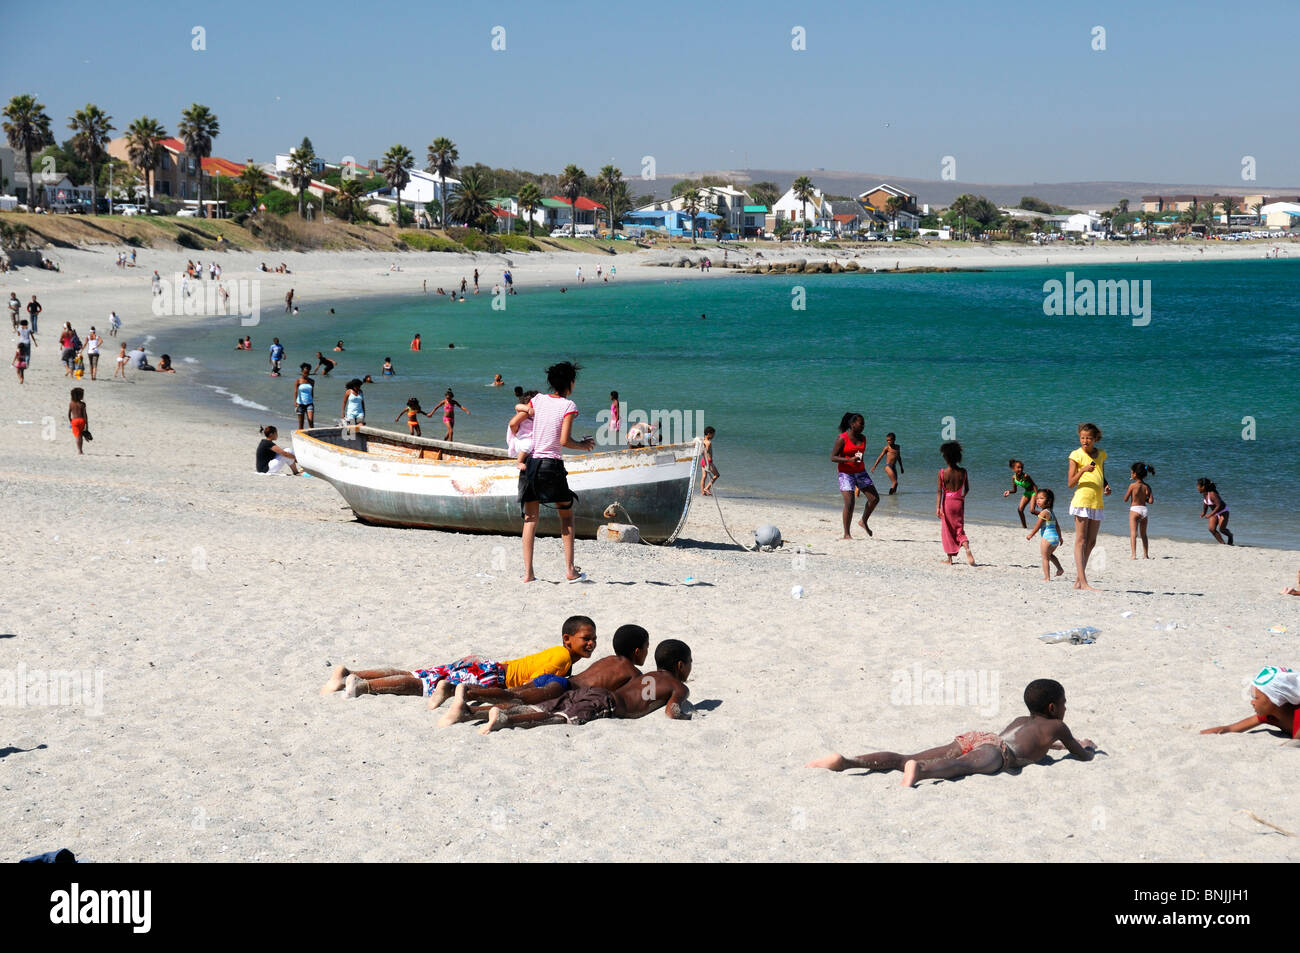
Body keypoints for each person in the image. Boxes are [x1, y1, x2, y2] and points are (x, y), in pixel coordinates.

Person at [806, 678, 1097, 787]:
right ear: (1052, 707)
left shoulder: (1023, 719)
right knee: (961, 766)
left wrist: (1056, 747)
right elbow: (1079, 754)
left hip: (980, 738)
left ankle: (846, 761)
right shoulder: (1058, 726)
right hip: (998, 753)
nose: (1065, 708)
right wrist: (1088, 748)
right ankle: (919, 771)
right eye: (1064, 704)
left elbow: (1036, 741)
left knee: (904, 757)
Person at [319, 615, 598, 705]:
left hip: (490, 668)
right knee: (423, 686)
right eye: (585, 638)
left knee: (420, 674)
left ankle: (349, 673)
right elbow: (531, 684)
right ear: (566, 639)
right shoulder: (562, 658)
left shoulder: (558, 652)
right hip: (492, 676)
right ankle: (362, 686)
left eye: (593, 638)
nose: (590, 643)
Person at [436, 623, 651, 726]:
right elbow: (619, 697)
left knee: (514, 693)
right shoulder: (633, 673)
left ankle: (457, 695)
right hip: (562, 688)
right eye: (647, 648)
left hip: (555, 679)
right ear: (637, 652)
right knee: (517, 699)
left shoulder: (608, 660)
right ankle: (469, 693)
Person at [480, 639, 693, 733]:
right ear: (680, 665)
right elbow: (672, 712)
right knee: (558, 717)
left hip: (592, 692)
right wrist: (687, 715)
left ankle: (479, 710)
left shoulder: (645, 674)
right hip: (606, 703)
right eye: (690, 663)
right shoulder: (679, 687)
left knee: (546, 705)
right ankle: (507, 719)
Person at [511, 361, 596, 583]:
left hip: (531, 465)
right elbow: (563, 440)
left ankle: (528, 574)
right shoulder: (569, 406)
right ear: (570, 383)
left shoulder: (537, 400)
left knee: (530, 519)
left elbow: (516, 420)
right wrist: (582, 445)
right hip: (551, 466)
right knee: (566, 516)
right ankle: (570, 569)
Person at [1066, 423, 1110, 591]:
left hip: (1097, 501)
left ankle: (1079, 580)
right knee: (1081, 540)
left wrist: (1106, 485)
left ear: (1095, 439)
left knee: (1091, 542)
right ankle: (1083, 582)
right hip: (1082, 501)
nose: (1085, 441)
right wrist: (1083, 469)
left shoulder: (1101, 454)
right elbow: (1070, 483)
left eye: (1089, 438)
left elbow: (1101, 474)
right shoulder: (1075, 455)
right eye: (1082, 438)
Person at [1202, 667, 1299, 740]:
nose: (1252, 702)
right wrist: (1200, 734)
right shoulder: (1272, 715)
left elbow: (1294, 743)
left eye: (1256, 698)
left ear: (1274, 699)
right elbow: (1230, 729)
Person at [831, 413, 878, 539]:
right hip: (845, 473)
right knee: (850, 503)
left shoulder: (863, 438)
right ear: (852, 425)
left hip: (861, 472)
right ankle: (847, 534)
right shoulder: (842, 438)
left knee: (874, 499)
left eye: (864, 423)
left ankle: (863, 521)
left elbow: (860, 454)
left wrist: (858, 459)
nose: (863, 426)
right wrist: (849, 460)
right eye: (861, 423)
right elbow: (833, 457)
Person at [937, 441, 975, 565]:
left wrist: (938, 507)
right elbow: (967, 489)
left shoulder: (942, 473)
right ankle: (967, 547)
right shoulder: (963, 472)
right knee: (959, 529)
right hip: (959, 502)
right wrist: (961, 496)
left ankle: (949, 559)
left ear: (946, 457)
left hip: (947, 502)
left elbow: (939, 492)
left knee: (947, 529)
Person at [1026, 488, 1065, 580]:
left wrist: (1031, 534)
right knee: (1049, 555)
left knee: (1045, 558)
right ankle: (1059, 569)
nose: (1038, 500)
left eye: (1041, 498)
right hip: (1054, 538)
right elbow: (1057, 525)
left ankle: (1047, 577)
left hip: (1047, 538)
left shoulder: (1043, 512)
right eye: (1037, 498)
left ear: (1049, 501)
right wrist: (1060, 537)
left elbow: (1038, 525)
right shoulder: (1051, 512)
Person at [1124, 462, 1156, 559]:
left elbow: (1125, 499)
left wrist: (1130, 497)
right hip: (1144, 510)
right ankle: (1145, 554)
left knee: (1133, 533)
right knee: (1144, 534)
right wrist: (1144, 499)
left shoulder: (1132, 486)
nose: (1131, 474)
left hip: (1134, 510)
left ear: (1135, 474)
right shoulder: (1147, 486)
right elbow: (1151, 501)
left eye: (1131, 473)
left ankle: (1134, 555)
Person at [1197, 477, 1234, 545]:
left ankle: (1230, 536)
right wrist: (1204, 512)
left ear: (1203, 487)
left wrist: (1210, 514)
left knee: (1222, 529)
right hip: (1215, 513)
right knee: (1211, 529)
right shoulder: (1205, 494)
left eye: (1198, 485)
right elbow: (1206, 503)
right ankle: (1223, 544)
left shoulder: (1212, 494)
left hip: (1223, 512)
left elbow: (1219, 505)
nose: (1197, 487)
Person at [1003, 459, 1037, 528]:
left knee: (1032, 511)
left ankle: (1047, 516)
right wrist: (1009, 491)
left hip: (1033, 492)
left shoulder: (1026, 476)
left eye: (1021, 467)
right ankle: (1024, 527)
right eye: (1018, 467)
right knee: (1020, 510)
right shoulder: (1014, 478)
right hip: (1027, 492)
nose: (1020, 469)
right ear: (1013, 469)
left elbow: (1034, 486)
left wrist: (1037, 497)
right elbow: (1015, 490)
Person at [507, 389, 538, 462]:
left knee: (529, 445)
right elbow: (517, 406)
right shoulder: (524, 411)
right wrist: (528, 409)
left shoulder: (537, 413)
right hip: (523, 439)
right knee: (528, 445)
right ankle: (519, 462)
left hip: (524, 440)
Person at [68, 387, 90, 454]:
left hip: (74, 421)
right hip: (82, 421)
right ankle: (81, 450)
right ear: (79, 396)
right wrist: (87, 425)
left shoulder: (71, 403)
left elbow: (69, 414)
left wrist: (71, 422)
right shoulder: (82, 404)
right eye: (82, 395)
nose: (83, 396)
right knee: (80, 435)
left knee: (78, 436)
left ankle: (79, 450)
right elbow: (85, 415)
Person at [700, 426, 720, 495]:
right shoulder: (708, 442)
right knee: (717, 475)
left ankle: (702, 492)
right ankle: (707, 488)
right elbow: (706, 451)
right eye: (713, 434)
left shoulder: (702, 441)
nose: (713, 436)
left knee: (704, 476)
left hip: (702, 460)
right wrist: (708, 463)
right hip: (708, 461)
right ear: (709, 434)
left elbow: (702, 452)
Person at [294, 364, 315, 429]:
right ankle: (301, 437)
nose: (306, 374)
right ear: (302, 372)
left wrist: (312, 400)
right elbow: (295, 391)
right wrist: (295, 402)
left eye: (308, 373)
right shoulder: (298, 381)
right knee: (301, 424)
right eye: (305, 373)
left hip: (309, 403)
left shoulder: (312, 381)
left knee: (311, 421)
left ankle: (312, 436)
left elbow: (312, 392)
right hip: (300, 404)